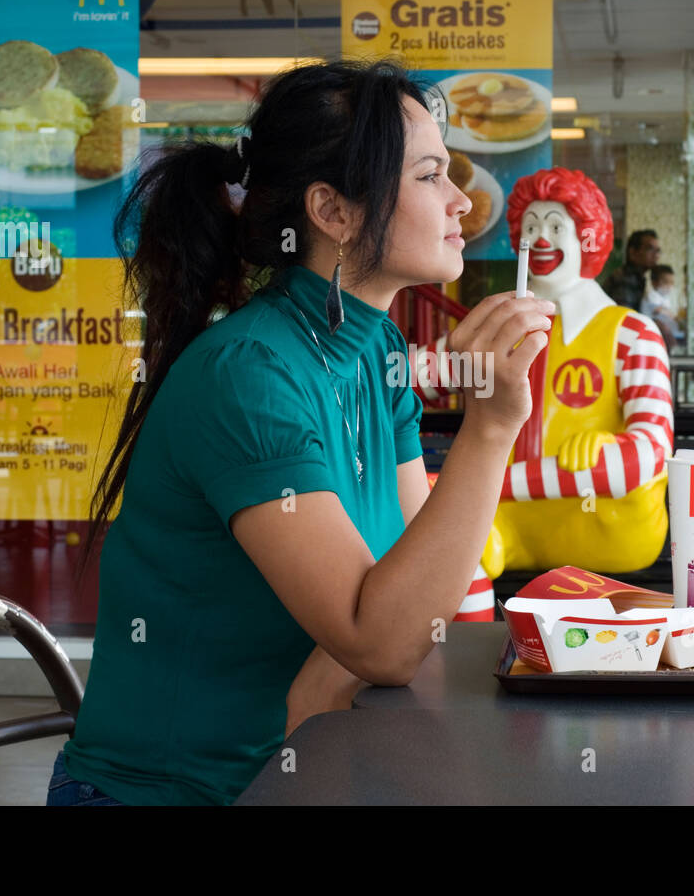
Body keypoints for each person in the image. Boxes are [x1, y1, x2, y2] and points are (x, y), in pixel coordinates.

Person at [49, 59, 554, 806]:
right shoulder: (249, 376)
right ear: (334, 212)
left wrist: (345, 652)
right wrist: (491, 426)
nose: (460, 201)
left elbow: (421, 597)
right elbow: (384, 636)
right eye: (429, 175)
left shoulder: (376, 351)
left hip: (310, 765)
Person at [603, 229, 660, 310]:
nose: (656, 255)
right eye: (650, 249)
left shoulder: (638, 277)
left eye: (658, 250)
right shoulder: (624, 279)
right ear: (633, 253)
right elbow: (625, 317)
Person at [639, 263, 686, 352]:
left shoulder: (665, 298)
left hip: (671, 335)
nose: (669, 286)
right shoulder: (651, 296)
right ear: (654, 282)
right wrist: (676, 318)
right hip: (655, 338)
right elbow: (661, 310)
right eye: (665, 282)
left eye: (671, 282)